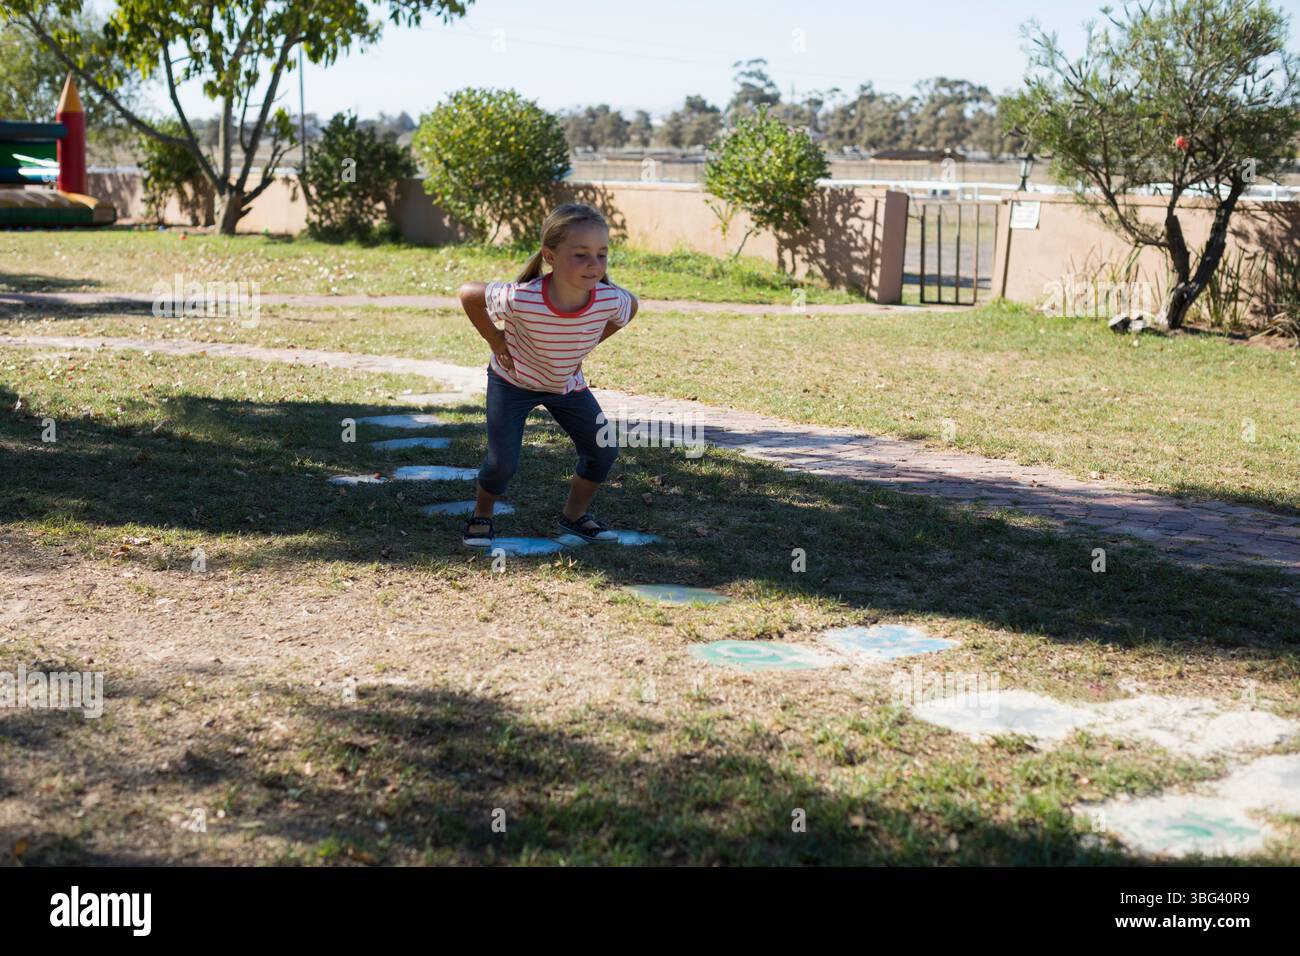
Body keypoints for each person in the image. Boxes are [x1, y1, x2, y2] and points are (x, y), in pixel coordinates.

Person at [457, 202, 639, 546]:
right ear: (550, 256)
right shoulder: (522, 297)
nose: (594, 265)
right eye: (581, 255)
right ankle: (481, 514)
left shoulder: (608, 299)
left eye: (602, 255)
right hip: (512, 384)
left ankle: (573, 516)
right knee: (502, 464)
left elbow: (630, 308)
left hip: (566, 387)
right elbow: (469, 294)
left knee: (603, 449)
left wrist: (586, 345)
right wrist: (495, 339)